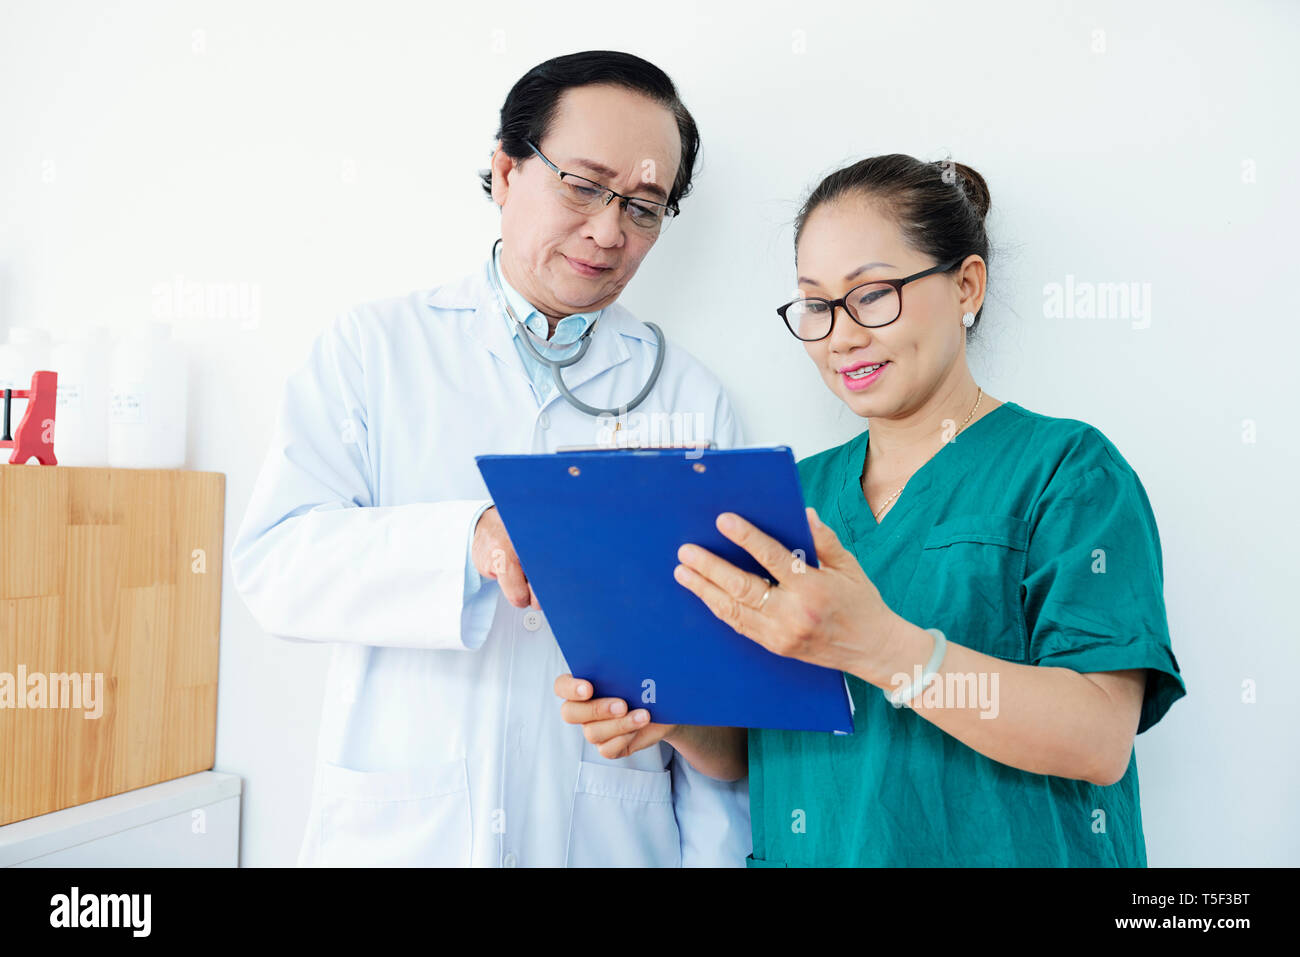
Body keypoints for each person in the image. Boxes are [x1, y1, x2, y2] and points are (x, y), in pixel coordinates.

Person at [560, 153, 1186, 866]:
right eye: (817, 306)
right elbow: (762, 746)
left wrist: (887, 649)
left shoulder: (1065, 472)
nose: (841, 335)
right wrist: (675, 718)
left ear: (966, 286)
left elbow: (1100, 736)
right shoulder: (788, 494)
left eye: (873, 295)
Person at [231, 50, 751, 867]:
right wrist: (469, 536)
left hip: (612, 833)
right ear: (506, 171)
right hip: (408, 831)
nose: (609, 230)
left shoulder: (692, 398)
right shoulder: (375, 350)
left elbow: (718, 681)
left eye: (644, 207)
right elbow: (274, 565)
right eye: (582, 185)